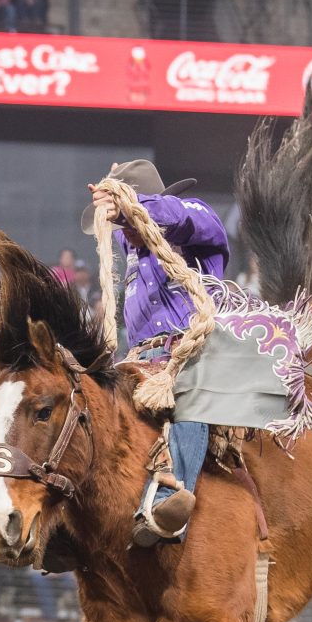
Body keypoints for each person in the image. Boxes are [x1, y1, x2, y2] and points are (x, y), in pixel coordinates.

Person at [85, 160, 226, 548]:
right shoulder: (129, 249)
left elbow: (183, 217)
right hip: (140, 358)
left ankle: (170, 499)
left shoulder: (193, 219)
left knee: (189, 396)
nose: (123, 231)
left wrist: (130, 202)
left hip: (188, 349)